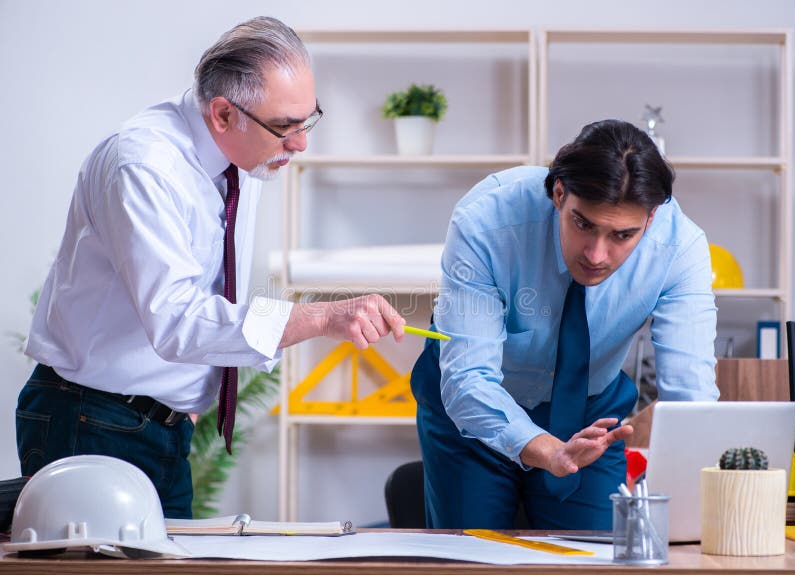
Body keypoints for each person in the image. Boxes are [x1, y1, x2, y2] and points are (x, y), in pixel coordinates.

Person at [16, 16, 405, 519]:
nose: (301, 143)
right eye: (286, 127)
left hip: (158, 423)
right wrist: (320, 318)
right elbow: (177, 317)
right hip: (94, 418)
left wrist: (185, 396)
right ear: (222, 114)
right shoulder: (145, 166)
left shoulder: (244, 156)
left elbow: (203, 292)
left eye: (309, 120)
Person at [410, 119, 719, 530]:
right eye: (583, 224)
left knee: (593, 557)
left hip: (590, 420)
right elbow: (468, 379)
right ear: (559, 193)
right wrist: (546, 450)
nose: (597, 254)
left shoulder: (680, 248)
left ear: (650, 220)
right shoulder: (488, 221)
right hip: (474, 413)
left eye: (622, 235)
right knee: (473, 557)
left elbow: (691, 396)